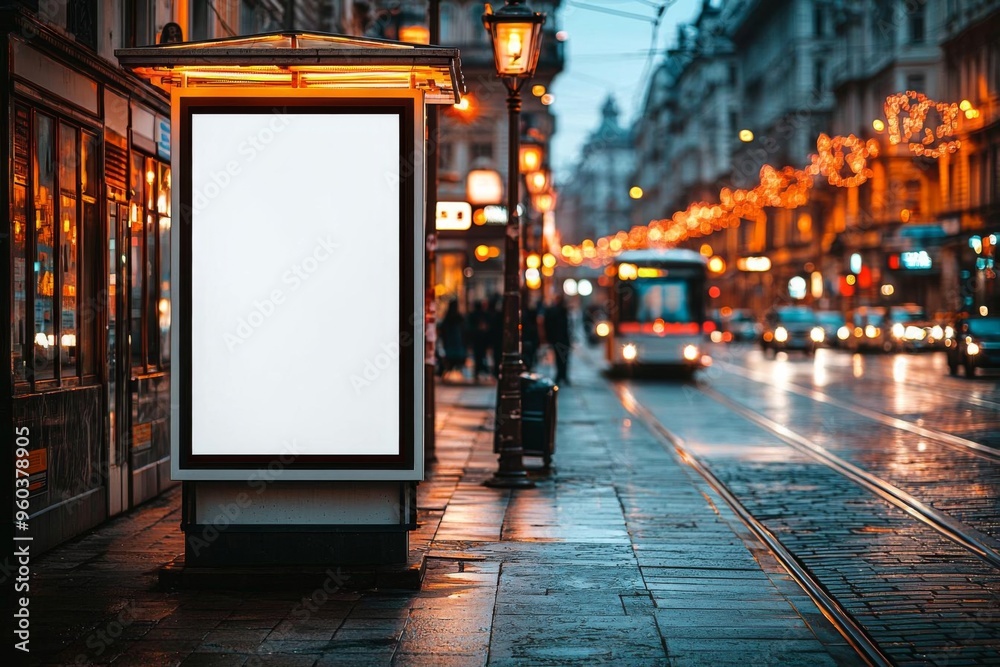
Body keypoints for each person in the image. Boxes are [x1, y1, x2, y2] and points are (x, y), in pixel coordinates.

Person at [543, 295, 572, 385]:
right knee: (563, 358)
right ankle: (562, 375)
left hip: (559, 338)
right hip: (561, 338)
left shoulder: (556, 311)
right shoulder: (560, 311)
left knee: (561, 358)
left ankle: (561, 375)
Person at [437, 298, 467, 379]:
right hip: (457, 345)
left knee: (450, 362)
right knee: (456, 361)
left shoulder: (447, 319)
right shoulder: (460, 319)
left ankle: (446, 372)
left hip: (450, 345)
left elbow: (443, 331)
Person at [468, 299, 492, 382]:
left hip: (478, 339)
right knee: (482, 355)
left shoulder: (473, 315)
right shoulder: (483, 315)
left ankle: (479, 371)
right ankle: (481, 370)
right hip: (481, 339)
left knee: (478, 356)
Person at [522, 299, 541, 372]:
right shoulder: (527, 316)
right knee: (529, 357)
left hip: (530, 339)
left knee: (530, 356)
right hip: (529, 339)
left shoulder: (528, 316)